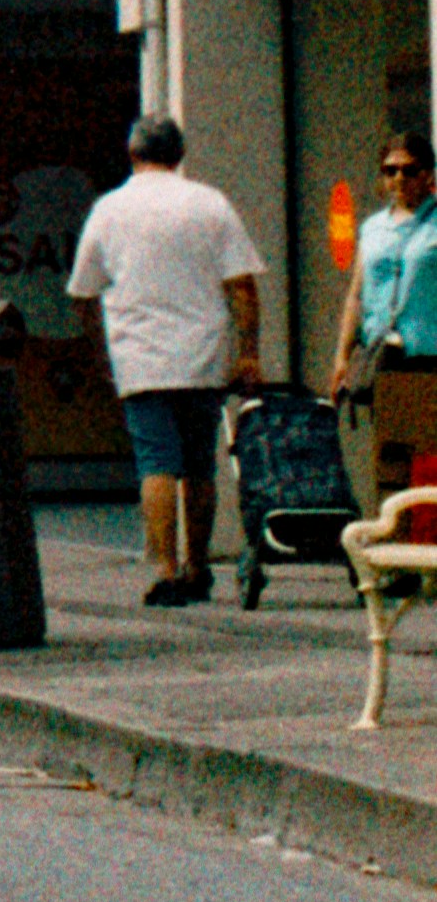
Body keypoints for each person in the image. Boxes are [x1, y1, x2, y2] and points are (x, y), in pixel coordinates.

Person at [67, 111, 263, 606]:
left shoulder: (108, 210)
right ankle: (199, 566)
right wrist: (249, 354)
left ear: (133, 154)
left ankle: (164, 567)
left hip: (140, 356)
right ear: (179, 156)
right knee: (199, 464)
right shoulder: (210, 204)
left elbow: (84, 292)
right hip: (203, 355)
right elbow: (242, 286)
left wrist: (100, 351)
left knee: (156, 461)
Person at [330, 128, 437, 491]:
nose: (399, 179)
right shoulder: (373, 228)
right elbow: (356, 296)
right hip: (385, 358)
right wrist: (342, 359)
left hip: (427, 357)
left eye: (409, 170)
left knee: (429, 456)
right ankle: (396, 535)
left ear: (428, 174)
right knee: (392, 457)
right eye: (390, 171)